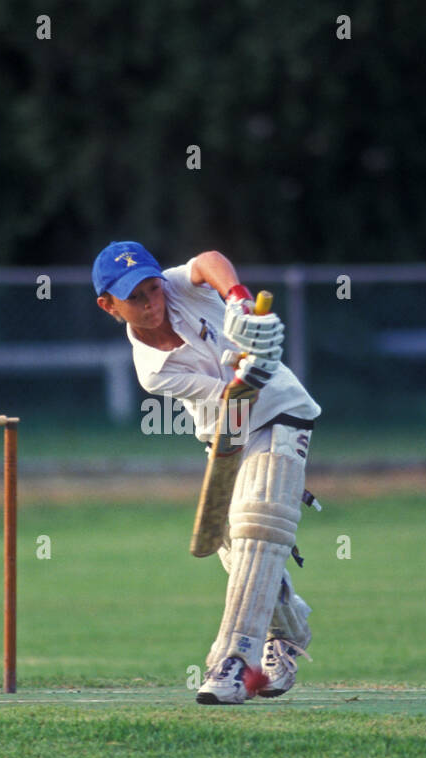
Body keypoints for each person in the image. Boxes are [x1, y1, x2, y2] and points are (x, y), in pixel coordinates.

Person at [91, 241, 322, 704]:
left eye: (152, 289)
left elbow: (209, 261)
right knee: (243, 553)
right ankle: (291, 631)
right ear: (109, 306)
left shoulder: (177, 288)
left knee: (259, 523)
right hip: (230, 429)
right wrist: (251, 368)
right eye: (135, 298)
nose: (151, 302)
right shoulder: (151, 371)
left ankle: (233, 662)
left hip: (283, 412)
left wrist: (237, 298)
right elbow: (232, 400)